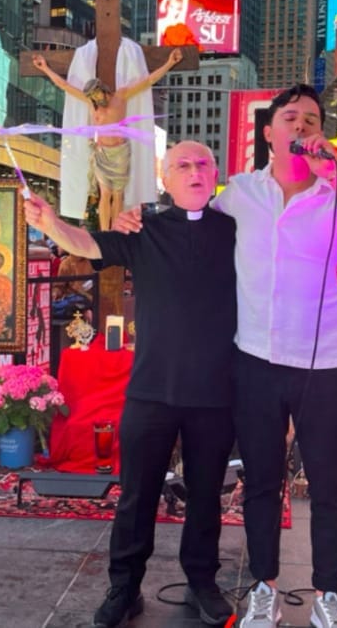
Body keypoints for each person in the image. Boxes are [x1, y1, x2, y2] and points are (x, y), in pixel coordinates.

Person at [118, 85, 337, 628]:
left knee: (329, 483)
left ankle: (328, 596)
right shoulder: (239, 194)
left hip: (324, 366)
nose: (300, 126)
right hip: (254, 364)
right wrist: (139, 217)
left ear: (322, 133)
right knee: (263, 482)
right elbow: (190, 216)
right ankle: (265, 586)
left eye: (311, 119)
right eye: (288, 117)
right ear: (267, 132)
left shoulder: (336, 194)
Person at [26, 141, 238, 628]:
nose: (194, 172)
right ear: (165, 178)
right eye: (182, 165)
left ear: (216, 172)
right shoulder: (144, 230)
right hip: (150, 389)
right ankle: (125, 587)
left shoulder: (236, 230)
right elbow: (88, 245)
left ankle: (201, 583)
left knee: (206, 494)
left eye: (203, 163)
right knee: (136, 494)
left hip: (214, 391)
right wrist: (50, 223)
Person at [32, 48, 183, 231]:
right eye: (92, 98)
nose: (96, 100)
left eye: (97, 96)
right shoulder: (91, 103)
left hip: (119, 153)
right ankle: (105, 232)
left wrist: (170, 63)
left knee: (117, 195)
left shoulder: (121, 96)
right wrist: (45, 68)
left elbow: (149, 80)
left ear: (103, 90)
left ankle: (115, 231)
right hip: (101, 152)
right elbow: (65, 86)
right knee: (105, 194)